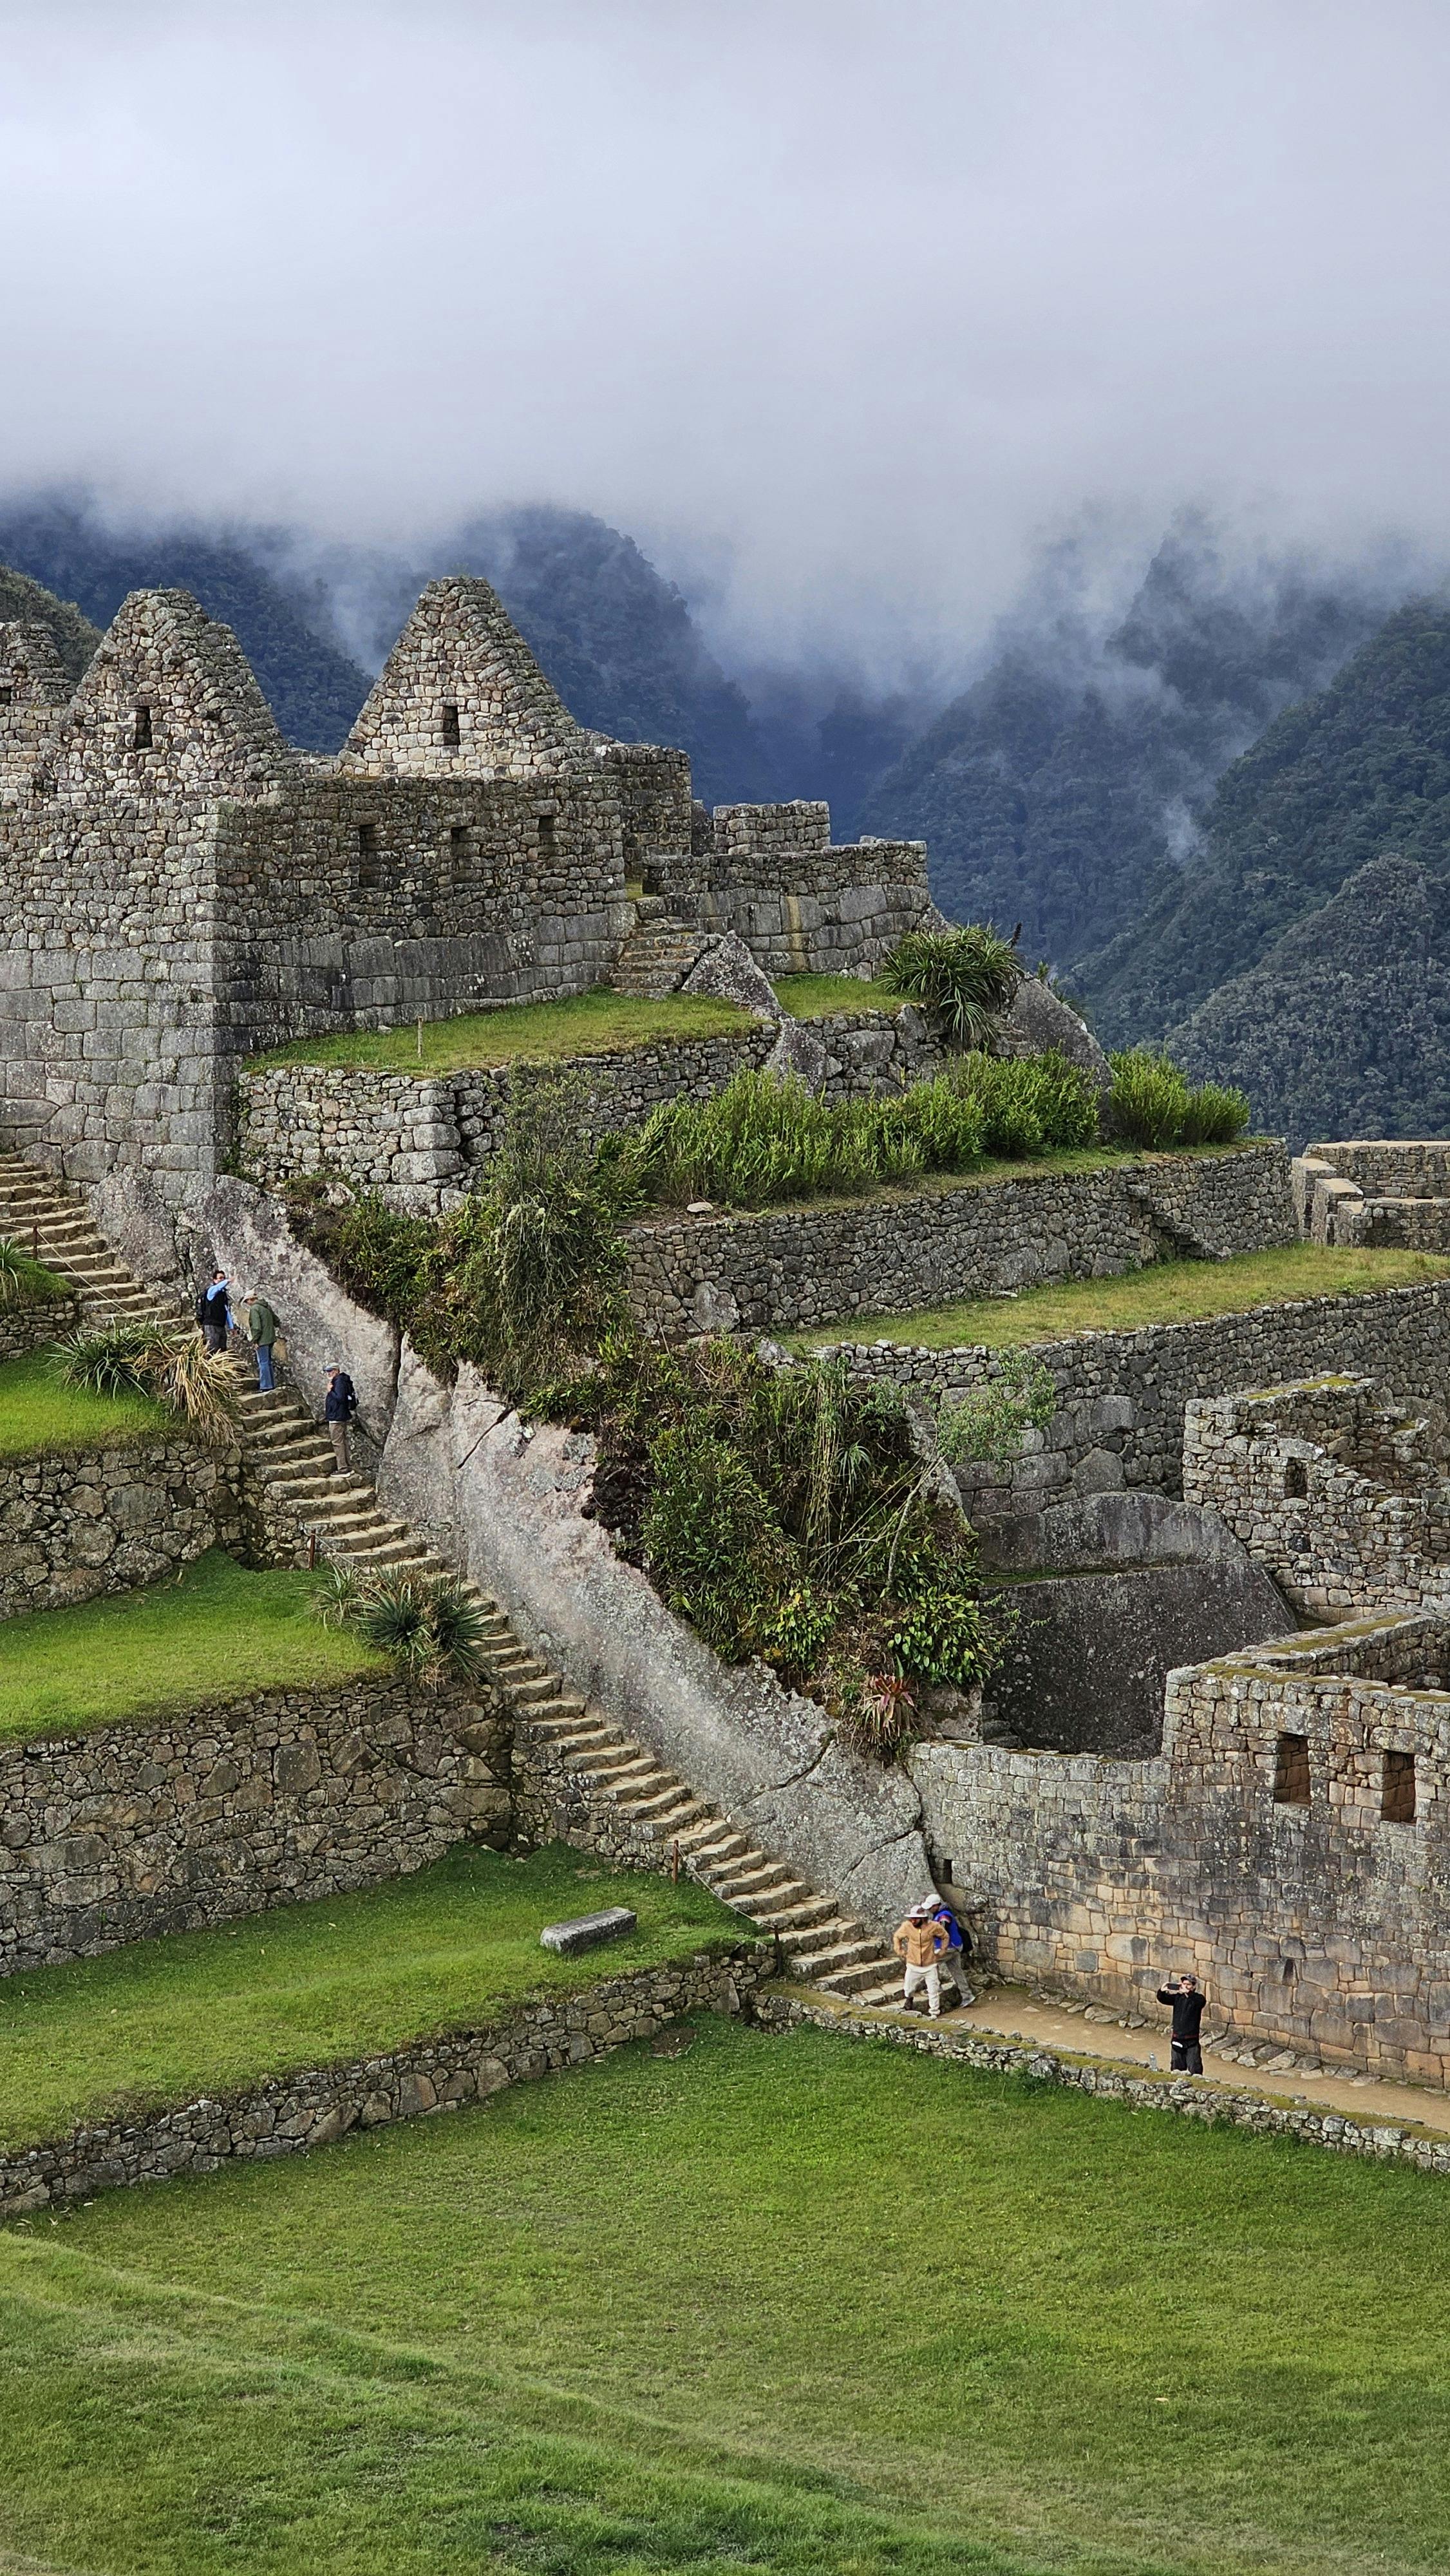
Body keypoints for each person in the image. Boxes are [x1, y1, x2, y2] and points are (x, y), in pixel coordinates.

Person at [893, 1900, 949, 2018]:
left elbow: (945, 1936)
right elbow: (897, 1937)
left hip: (930, 1964)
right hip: (913, 1964)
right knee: (908, 1987)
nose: (912, 1921)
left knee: (933, 1990)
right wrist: (900, 1951)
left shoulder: (934, 1926)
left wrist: (942, 1951)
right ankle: (909, 2000)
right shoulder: (907, 1926)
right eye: (912, 1918)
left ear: (923, 1918)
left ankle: (934, 2013)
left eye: (915, 1919)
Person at [931, 1896, 977, 2011]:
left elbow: (942, 1929)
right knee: (957, 1972)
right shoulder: (943, 1913)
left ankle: (936, 1986)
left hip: (949, 1948)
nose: (929, 1909)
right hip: (956, 1947)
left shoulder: (943, 1915)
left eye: (931, 1907)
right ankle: (967, 1996)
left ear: (936, 1905)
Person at [1156, 1971, 1206, 2076]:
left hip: (1192, 2041)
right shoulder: (1178, 1998)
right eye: (1184, 1984)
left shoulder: (1198, 1998)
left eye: (1188, 1984)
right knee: (1176, 2070)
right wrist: (1162, 1990)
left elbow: (1199, 2003)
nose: (1186, 1986)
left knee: (1195, 2069)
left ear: (1193, 1986)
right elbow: (1163, 1999)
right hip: (1177, 2039)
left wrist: (1188, 1994)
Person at [324, 1362, 358, 1475]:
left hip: (337, 1417)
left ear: (337, 1371)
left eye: (331, 1371)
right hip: (339, 1415)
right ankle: (347, 1465)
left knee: (337, 1442)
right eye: (327, 1371)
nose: (328, 1373)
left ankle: (342, 1468)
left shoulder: (339, 1382)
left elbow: (340, 1398)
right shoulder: (341, 1381)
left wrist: (330, 1391)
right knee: (342, 1441)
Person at [245, 1289, 279, 1392]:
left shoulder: (255, 1309)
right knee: (268, 1362)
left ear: (250, 1300)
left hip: (262, 1340)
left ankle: (265, 1386)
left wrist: (255, 1341)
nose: (247, 1303)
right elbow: (276, 1320)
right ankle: (271, 1384)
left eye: (247, 1301)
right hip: (270, 1338)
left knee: (263, 1362)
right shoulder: (266, 1306)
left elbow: (256, 1327)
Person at [198, 1267, 231, 1357]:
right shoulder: (211, 1291)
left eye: (223, 1278)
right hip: (211, 1325)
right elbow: (218, 1287)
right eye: (220, 1278)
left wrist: (231, 1327)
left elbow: (227, 1311)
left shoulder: (223, 1295)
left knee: (222, 1349)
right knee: (212, 1348)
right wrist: (228, 1281)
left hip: (220, 1325)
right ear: (215, 1280)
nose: (222, 1280)